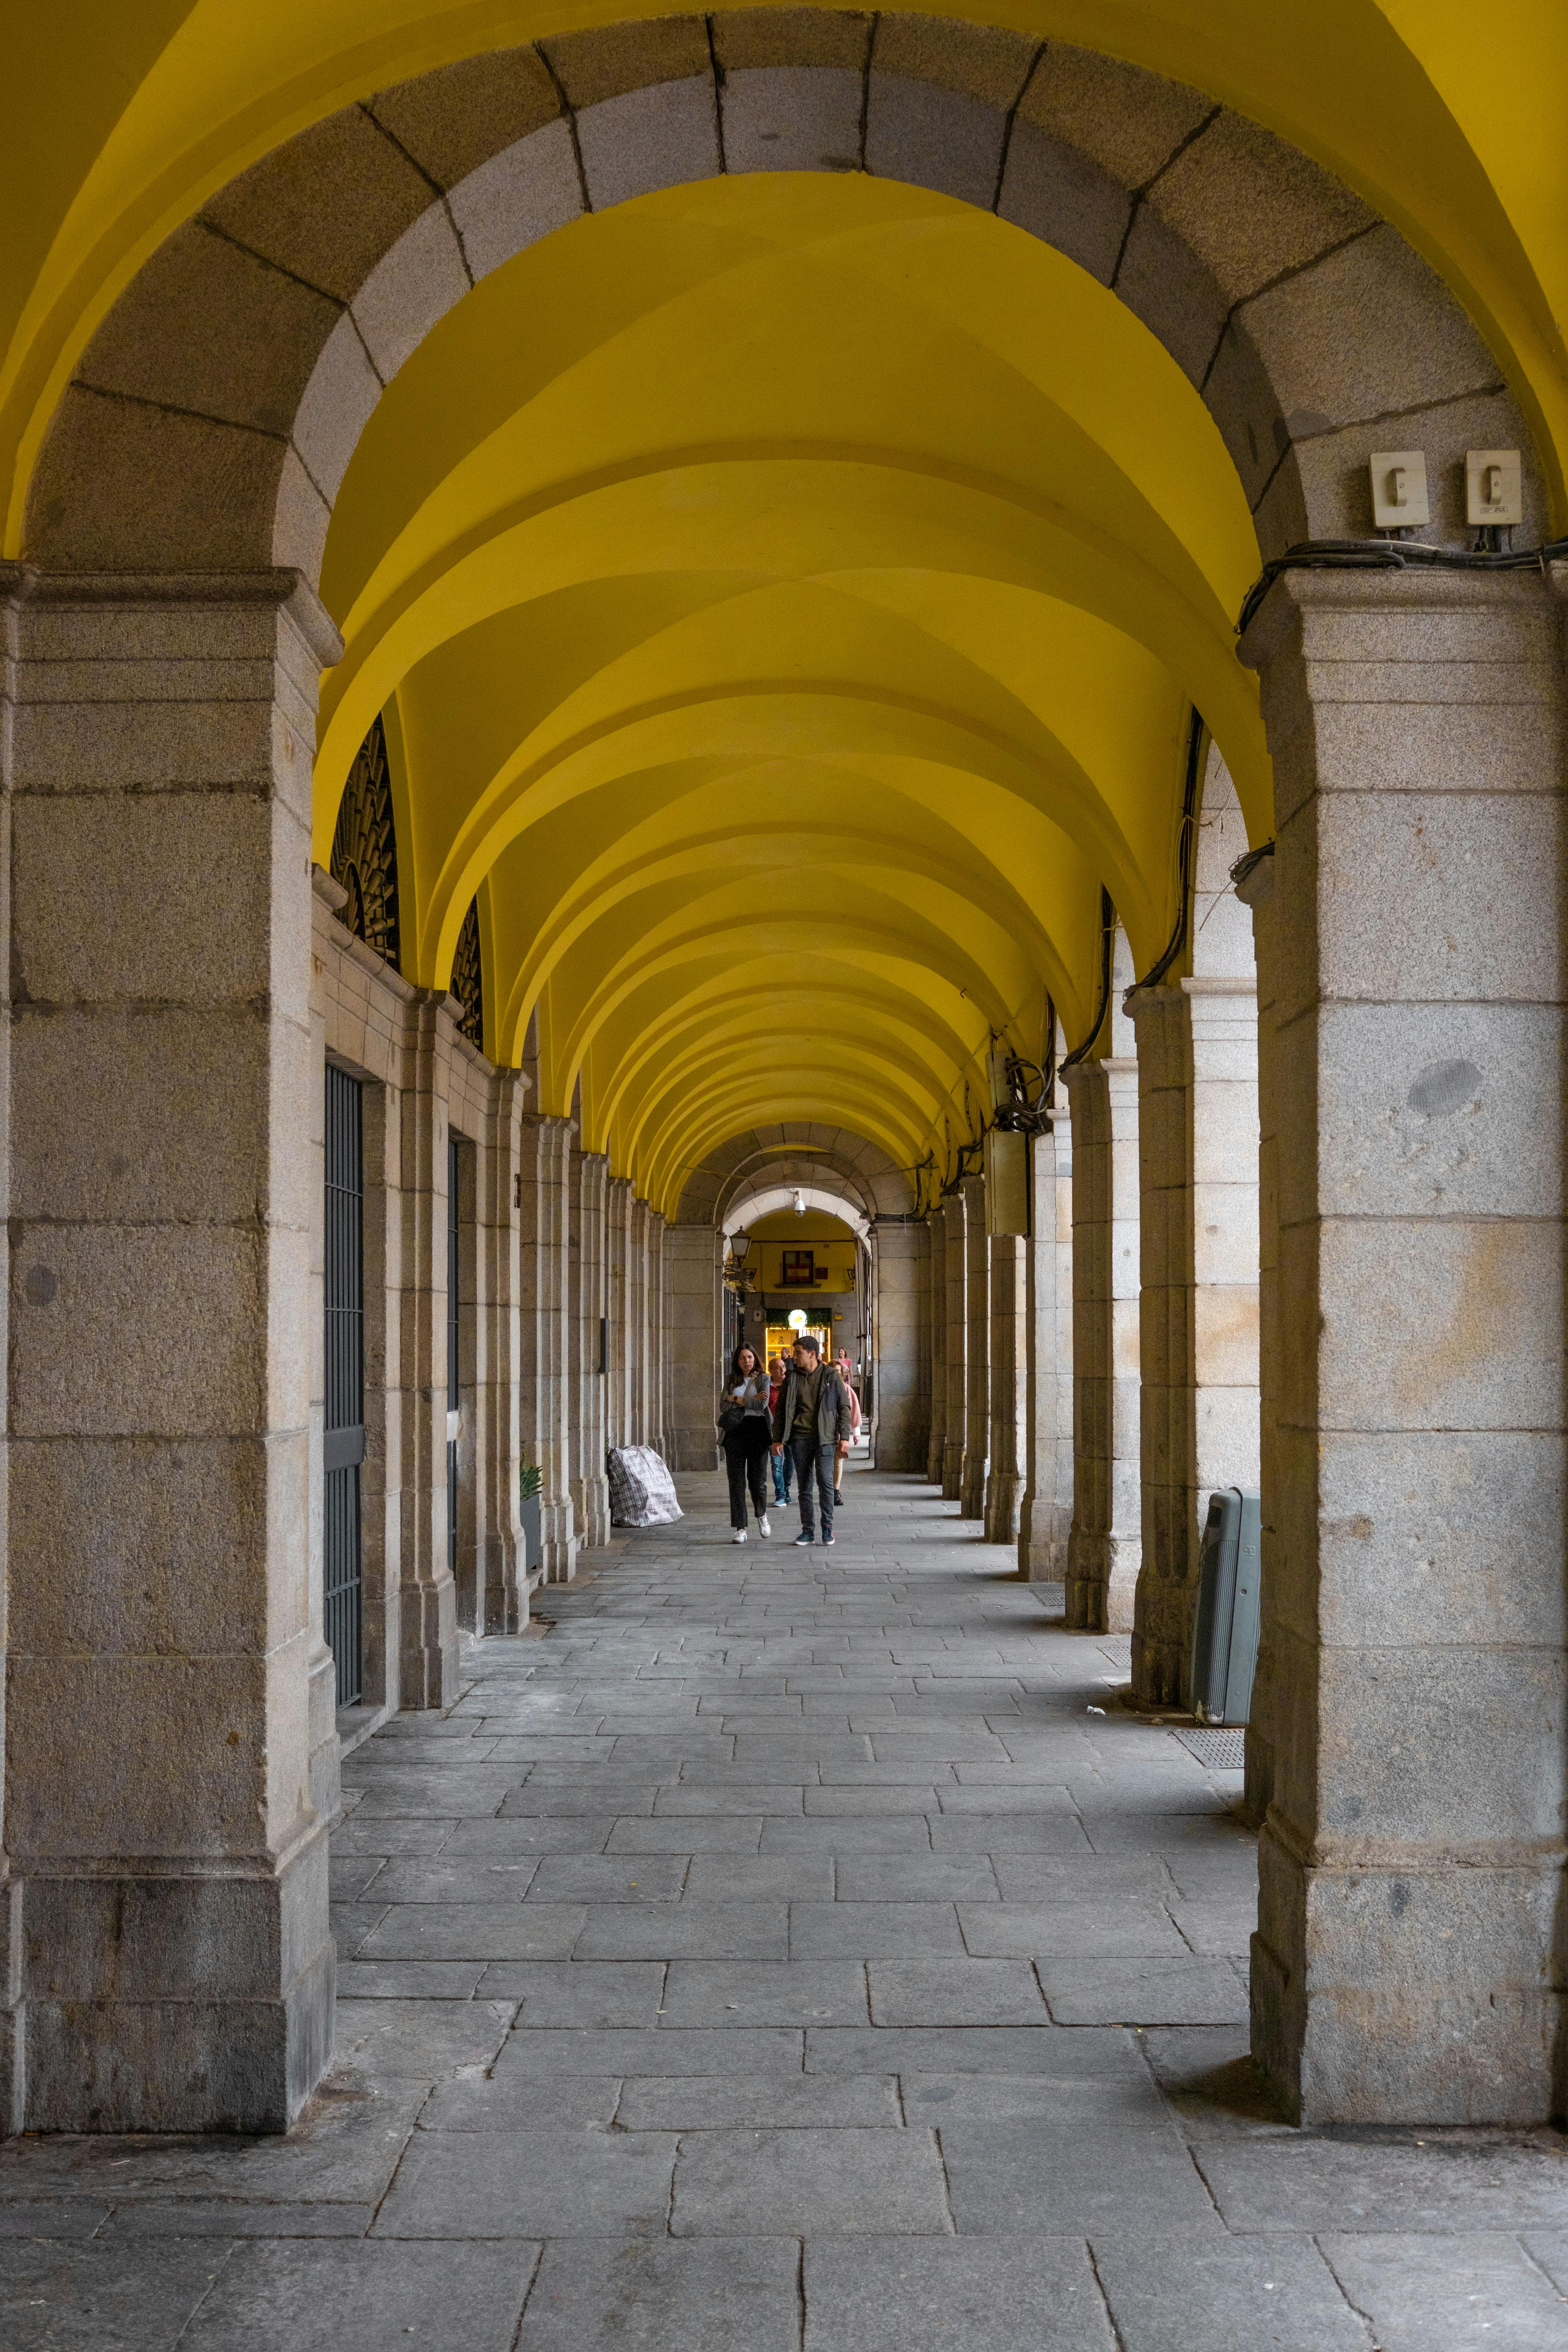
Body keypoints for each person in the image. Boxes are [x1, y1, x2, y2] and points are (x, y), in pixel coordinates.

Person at [770, 1332, 853, 1547]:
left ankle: (828, 1529)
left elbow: (844, 1407)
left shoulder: (831, 1376)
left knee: (825, 1483)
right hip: (800, 1438)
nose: (794, 1357)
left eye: (799, 1353)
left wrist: (844, 1437)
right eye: (795, 1353)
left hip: (825, 1438)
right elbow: (781, 1412)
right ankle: (807, 1531)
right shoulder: (793, 1378)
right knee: (804, 1486)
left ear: (812, 1354)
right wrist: (778, 1439)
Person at [718, 1344, 772, 1544]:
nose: (746, 1361)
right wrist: (745, 1399)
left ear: (755, 1358)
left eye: (750, 1357)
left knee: (757, 1481)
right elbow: (724, 1405)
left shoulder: (764, 1379)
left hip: (758, 1431)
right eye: (742, 1358)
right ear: (737, 1361)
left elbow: (762, 1405)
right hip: (735, 1432)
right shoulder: (731, 1379)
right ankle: (740, 1528)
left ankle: (761, 1515)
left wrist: (736, 1399)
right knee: (737, 1481)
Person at [832, 1349, 862, 1508]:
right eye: (833, 1371)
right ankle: (828, 1490)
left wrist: (855, 1433)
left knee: (838, 1463)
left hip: (840, 1432)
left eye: (838, 1371)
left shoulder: (847, 1390)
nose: (836, 1374)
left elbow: (854, 1410)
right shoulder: (823, 1388)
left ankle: (836, 1491)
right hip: (825, 1431)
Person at [766, 1354, 794, 1506]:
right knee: (777, 1463)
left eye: (784, 1366)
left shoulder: (791, 1385)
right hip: (773, 1430)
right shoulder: (766, 1386)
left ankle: (787, 1488)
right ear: (770, 1370)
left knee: (791, 1462)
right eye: (778, 1367)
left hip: (790, 1429)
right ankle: (781, 1495)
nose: (783, 1370)